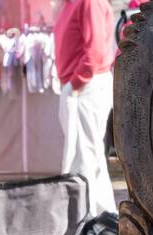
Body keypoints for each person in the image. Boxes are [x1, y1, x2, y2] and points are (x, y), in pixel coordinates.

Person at [55, 0, 117, 216]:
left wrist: (76, 83)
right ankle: (100, 217)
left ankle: (86, 219)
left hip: (85, 86)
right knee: (88, 156)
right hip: (80, 85)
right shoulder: (73, 4)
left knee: (83, 157)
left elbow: (96, 51)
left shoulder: (89, 2)